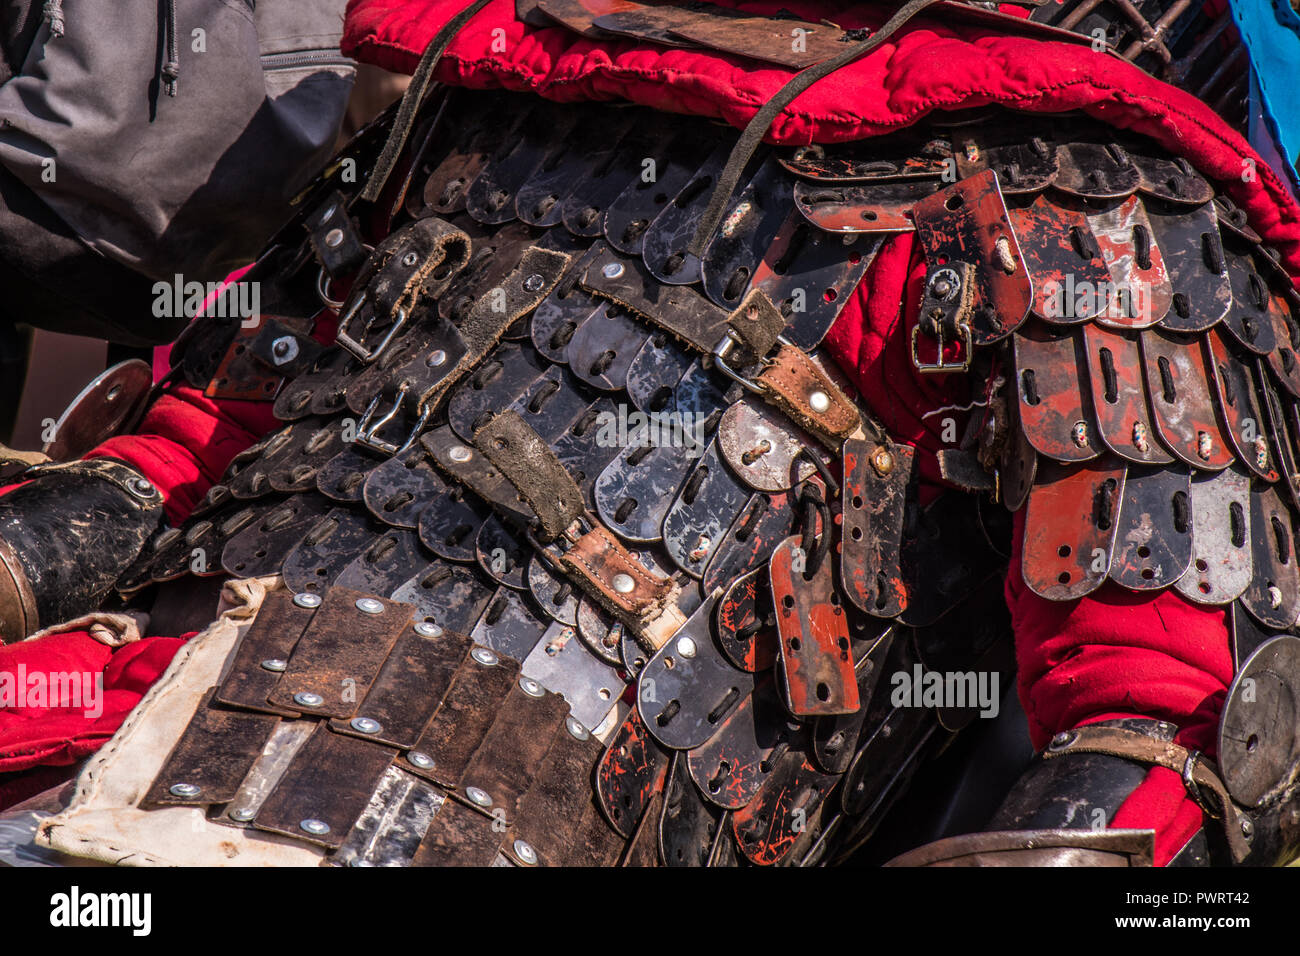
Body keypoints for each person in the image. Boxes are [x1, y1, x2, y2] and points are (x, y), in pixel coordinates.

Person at [1, 0, 1298, 867]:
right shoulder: (480, 83)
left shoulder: (1072, 198)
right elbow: (194, 448)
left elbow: (1181, 734)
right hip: (131, 751)